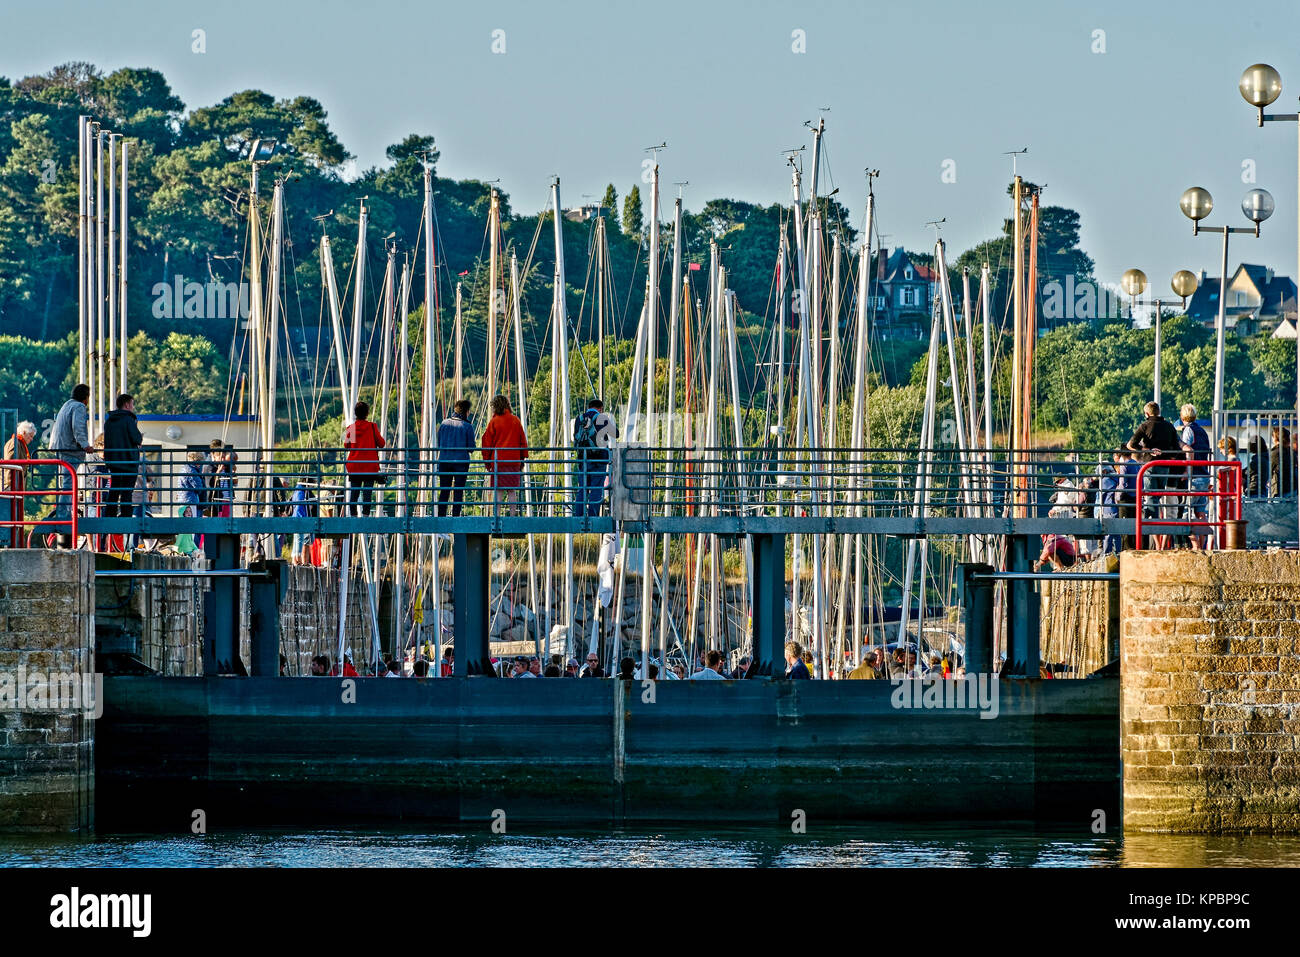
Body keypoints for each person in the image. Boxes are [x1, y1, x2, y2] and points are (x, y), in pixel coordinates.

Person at [50, 384, 94, 547]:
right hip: (70, 449)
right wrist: (85, 445)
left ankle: (63, 514)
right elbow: (78, 428)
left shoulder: (66, 404)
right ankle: (63, 515)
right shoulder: (79, 407)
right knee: (69, 484)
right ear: (86, 397)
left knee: (66, 484)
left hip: (61, 447)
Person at [480, 395, 528, 515]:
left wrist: (487, 463)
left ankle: (497, 516)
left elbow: (486, 443)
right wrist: (522, 460)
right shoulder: (515, 420)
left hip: (498, 462)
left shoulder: (494, 422)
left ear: (495, 407)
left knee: (499, 491)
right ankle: (512, 515)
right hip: (514, 461)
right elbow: (523, 441)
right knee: (511, 491)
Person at [572, 397, 617, 517]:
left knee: (582, 488)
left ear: (589, 407)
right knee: (596, 488)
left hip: (583, 458)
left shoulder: (579, 419)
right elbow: (615, 433)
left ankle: (579, 515)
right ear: (600, 409)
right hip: (598, 459)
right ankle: (593, 515)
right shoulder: (601, 417)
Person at [102, 393, 143, 519]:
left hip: (114, 462)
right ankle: (126, 516)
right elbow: (137, 438)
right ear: (127, 404)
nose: (133, 407)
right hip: (129, 462)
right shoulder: (128, 420)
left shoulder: (109, 421)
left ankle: (110, 516)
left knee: (114, 490)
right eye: (132, 404)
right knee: (126, 492)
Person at [1178, 404, 1212, 550]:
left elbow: (1188, 452)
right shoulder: (1202, 431)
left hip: (1194, 476)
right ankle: (1203, 545)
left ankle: (1195, 546)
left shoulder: (1188, 430)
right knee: (1200, 512)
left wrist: (1187, 471)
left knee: (1187, 511)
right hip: (1205, 475)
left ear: (1182, 417)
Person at [344, 401, 386, 516]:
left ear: (355, 413)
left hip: (355, 465)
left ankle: (353, 515)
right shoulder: (372, 427)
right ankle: (366, 515)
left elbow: (346, 445)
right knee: (367, 493)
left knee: (354, 493)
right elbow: (382, 443)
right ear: (367, 413)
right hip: (369, 465)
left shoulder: (351, 428)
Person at [436, 399, 477, 516]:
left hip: (444, 461)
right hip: (461, 463)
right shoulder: (467, 426)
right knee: (458, 491)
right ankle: (455, 517)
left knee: (444, 490)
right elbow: (471, 448)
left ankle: (441, 517)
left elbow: (440, 443)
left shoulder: (444, 423)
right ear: (466, 412)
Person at [2, 420, 37, 547]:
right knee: (11, 516)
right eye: (30, 436)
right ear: (23, 432)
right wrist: (12, 486)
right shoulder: (15, 443)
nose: (31, 439)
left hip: (15, 486)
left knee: (15, 516)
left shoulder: (19, 444)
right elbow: (10, 464)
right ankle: (10, 543)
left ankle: (13, 543)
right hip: (11, 486)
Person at [1270, 425, 1295, 498]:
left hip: (1279, 489)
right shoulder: (1291, 452)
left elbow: (1269, 469)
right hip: (1292, 487)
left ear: (1275, 438)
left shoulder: (1275, 452)